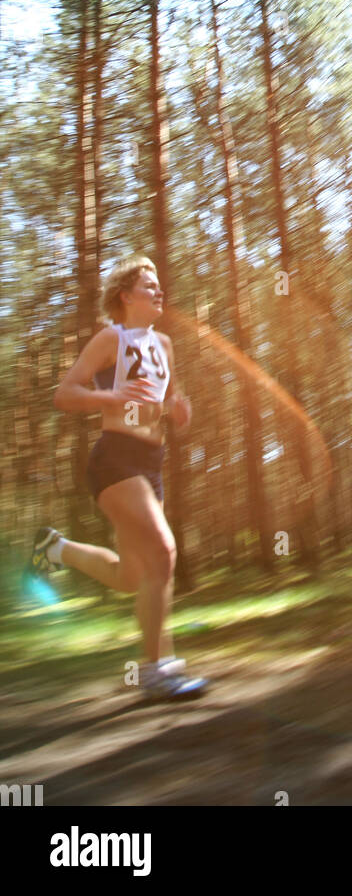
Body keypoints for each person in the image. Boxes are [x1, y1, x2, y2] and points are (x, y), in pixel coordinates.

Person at [30, 255, 208, 702]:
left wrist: (179, 411)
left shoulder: (165, 345)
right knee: (163, 551)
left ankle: (56, 549)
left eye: (160, 285)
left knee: (133, 576)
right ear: (126, 297)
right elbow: (64, 394)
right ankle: (156, 671)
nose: (159, 291)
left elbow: (168, 401)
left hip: (152, 460)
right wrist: (110, 395)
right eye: (150, 285)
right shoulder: (112, 338)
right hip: (115, 460)